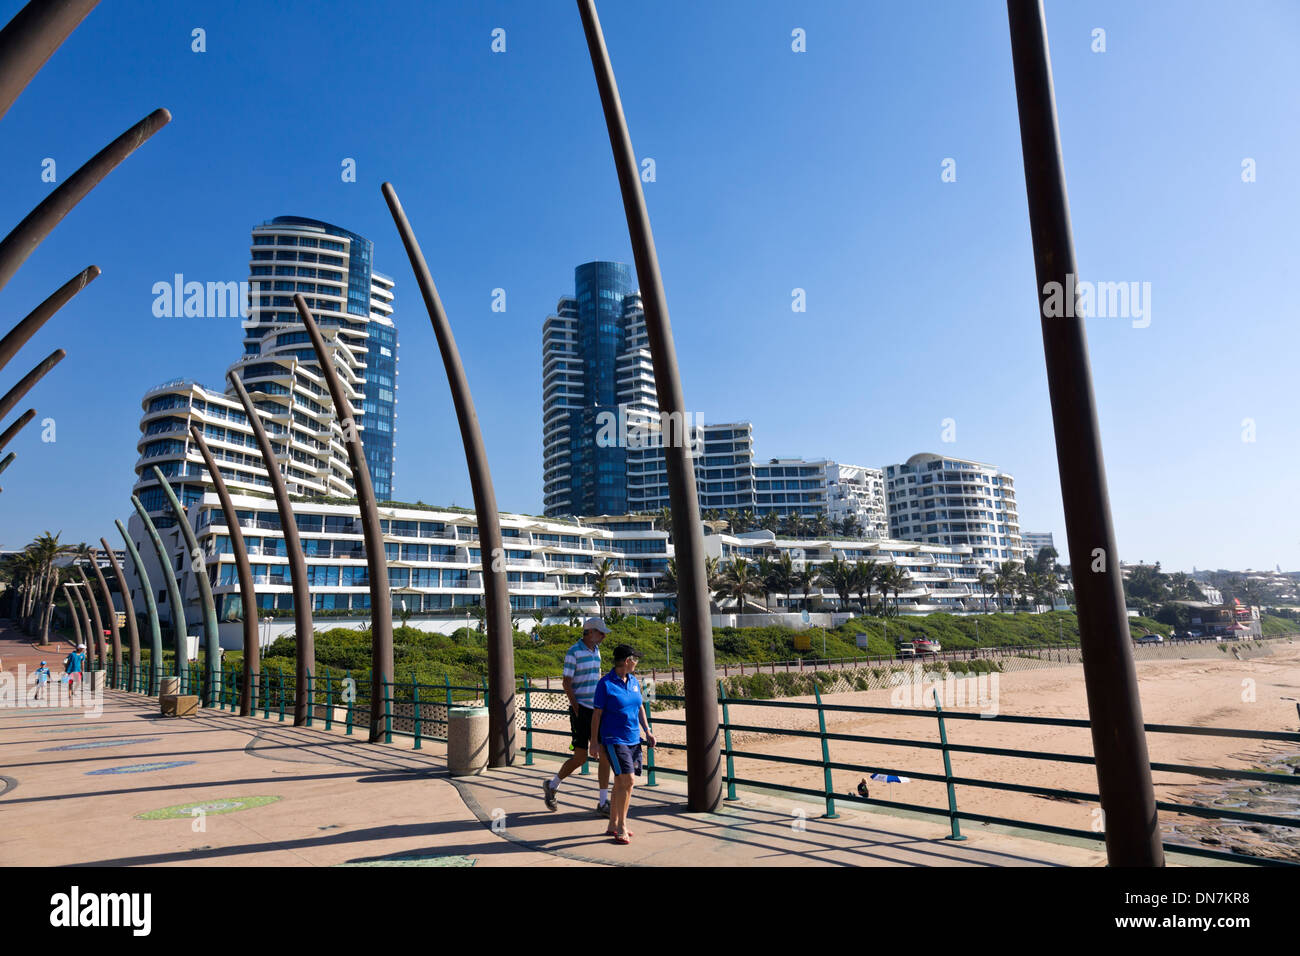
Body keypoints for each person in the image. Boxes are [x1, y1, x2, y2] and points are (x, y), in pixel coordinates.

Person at [542, 617, 612, 815]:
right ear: (589, 632)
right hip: (581, 710)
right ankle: (553, 785)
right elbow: (566, 683)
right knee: (580, 758)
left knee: (603, 753)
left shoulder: (596, 651)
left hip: (597, 709)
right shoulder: (573, 652)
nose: (603, 636)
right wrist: (577, 709)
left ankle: (602, 802)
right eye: (600, 632)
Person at [590, 644, 655, 845]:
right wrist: (594, 742)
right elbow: (597, 715)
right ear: (627, 661)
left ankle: (612, 824)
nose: (637, 663)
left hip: (634, 739)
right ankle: (622, 826)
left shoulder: (635, 681)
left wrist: (648, 730)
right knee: (628, 780)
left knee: (620, 782)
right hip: (614, 739)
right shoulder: (605, 683)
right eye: (636, 659)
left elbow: (640, 708)